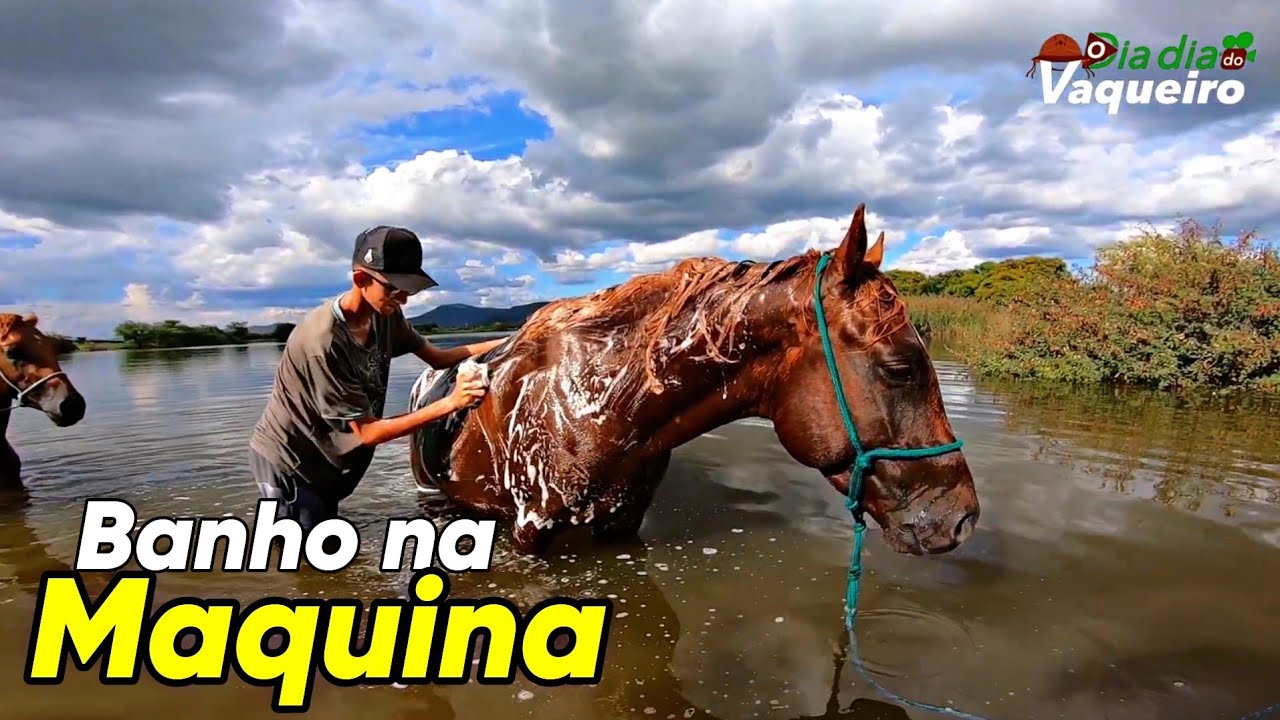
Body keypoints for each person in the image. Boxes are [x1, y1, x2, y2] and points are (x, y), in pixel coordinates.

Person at [248, 225, 506, 532]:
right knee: (307, 552)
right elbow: (367, 432)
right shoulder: (323, 343)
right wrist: (453, 402)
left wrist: (513, 341)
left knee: (329, 558)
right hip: (294, 462)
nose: (404, 300)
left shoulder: (386, 315)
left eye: (409, 290)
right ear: (361, 279)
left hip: (330, 459)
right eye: (394, 289)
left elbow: (438, 358)